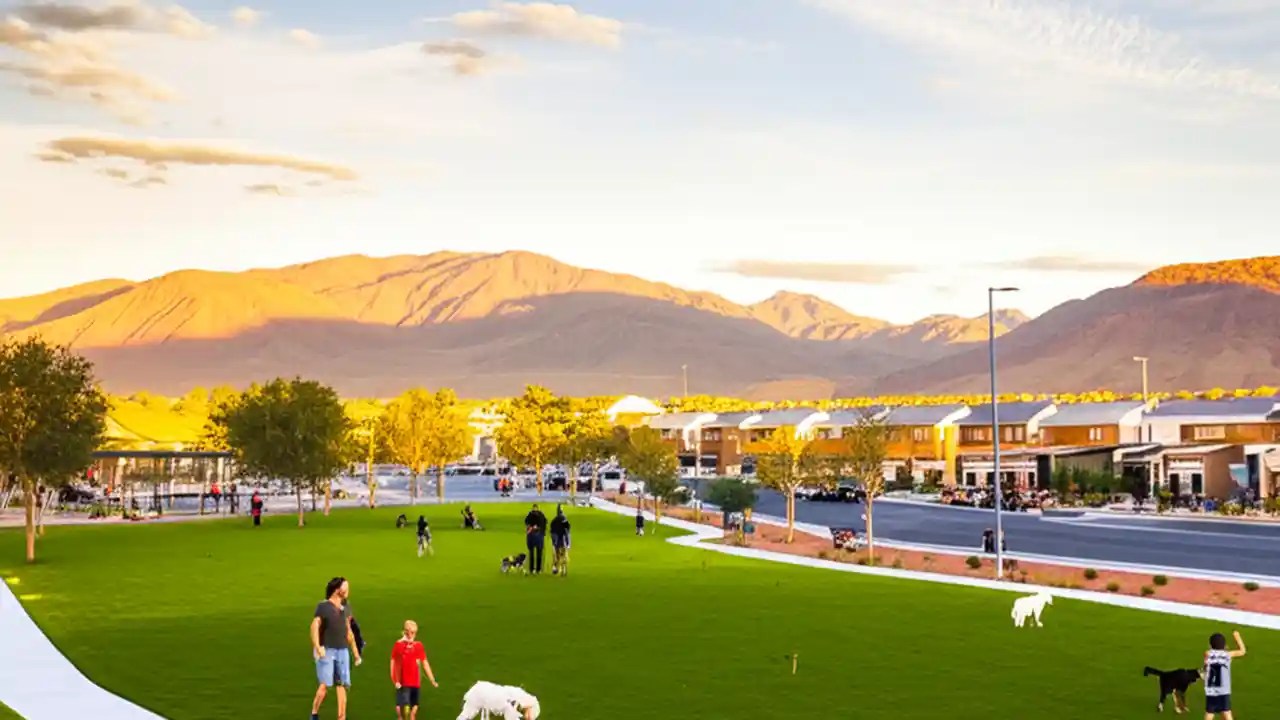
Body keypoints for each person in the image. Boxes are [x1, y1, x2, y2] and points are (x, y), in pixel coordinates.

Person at [311, 577, 362, 720]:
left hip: (342, 650)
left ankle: (342, 717)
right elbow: (314, 627)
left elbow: (348, 631)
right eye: (346, 587)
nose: (348, 591)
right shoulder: (323, 606)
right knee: (325, 686)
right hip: (326, 650)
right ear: (338, 589)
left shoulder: (346, 607)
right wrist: (317, 646)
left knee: (342, 685)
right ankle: (314, 713)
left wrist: (356, 653)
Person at [391, 620, 438, 720]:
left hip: (415, 683)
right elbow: (394, 662)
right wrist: (395, 680)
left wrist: (432, 679)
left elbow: (425, 663)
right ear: (404, 631)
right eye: (408, 632)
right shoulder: (399, 645)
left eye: (413, 633)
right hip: (404, 683)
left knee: (414, 709)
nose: (410, 635)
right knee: (404, 709)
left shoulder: (418, 646)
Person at [1204, 631, 1246, 719]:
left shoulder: (1207, 654)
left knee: (1209, 712)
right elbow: (1242, 651)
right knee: (1227, 712)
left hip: (1212, 688)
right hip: (1224, 690)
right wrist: (1237, 637)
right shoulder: (1228, 655)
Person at [524, 503, 548, 574]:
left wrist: (530, 528)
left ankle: (533, 569)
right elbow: (545, 523)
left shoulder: (530, 515)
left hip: (532, 536)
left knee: (533, 553)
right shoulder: (540, 515)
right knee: (538, 553)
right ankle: (538, 569)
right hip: (538, 536)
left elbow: (526, 523)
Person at [550, 505, 571, 575]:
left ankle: (556, 568)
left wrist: (553, 542)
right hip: (562, 539)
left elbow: (552, 532)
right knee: (564, 555)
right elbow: (567, 531)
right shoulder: (563, 518)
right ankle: (563, 569)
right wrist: (568, 543)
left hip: (557, 540)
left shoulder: (554, 520)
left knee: (557, 555)